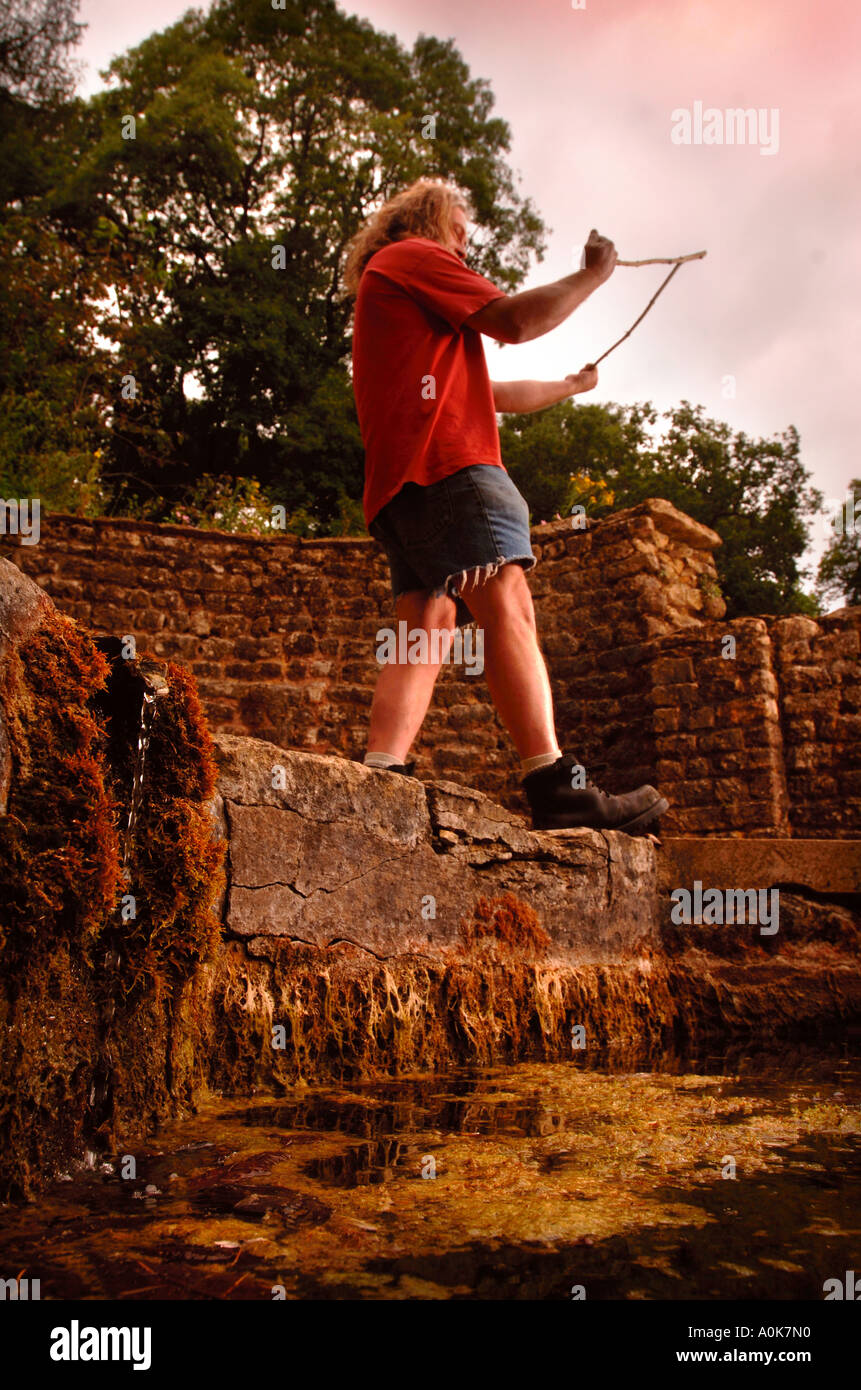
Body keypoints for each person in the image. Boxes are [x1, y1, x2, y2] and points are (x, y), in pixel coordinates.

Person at [343, 178, 667, 835]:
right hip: (451, 470)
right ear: (431, 221)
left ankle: (381, 775)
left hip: (400, 489)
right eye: (460, 230)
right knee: (506, 600)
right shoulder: (415, 256)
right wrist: (592, 276)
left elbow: (496, 392)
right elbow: (517, 322)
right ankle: (556, 786)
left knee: (425, 624)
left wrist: (569, 387)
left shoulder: (398, 304)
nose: (465, 245)